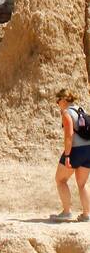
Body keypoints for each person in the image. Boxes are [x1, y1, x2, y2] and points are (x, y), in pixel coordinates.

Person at [51, 88, 90, 222]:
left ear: (63, 100)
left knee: (60, 180)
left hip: (75, 151)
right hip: (88, 150)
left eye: (58, 101)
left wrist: (67, 156)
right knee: (82, 184)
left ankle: (66, 212)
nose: (57, 104)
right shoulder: (81, 109)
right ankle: (86, 215)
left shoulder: (67, 113)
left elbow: (69, 136)